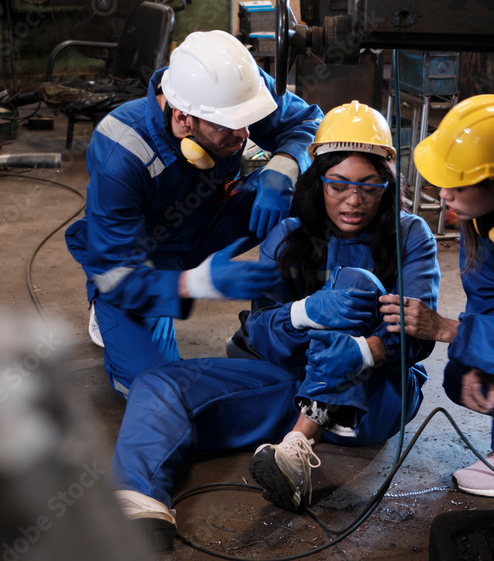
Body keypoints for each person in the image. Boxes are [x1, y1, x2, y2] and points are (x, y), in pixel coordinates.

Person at [108, 101, 441, 551]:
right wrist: (304, 313)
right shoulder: (288, 234)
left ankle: (301, 444)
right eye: (338, 184)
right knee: (159, 384)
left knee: (358, 285)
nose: (354, 199)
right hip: (289, 383)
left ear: (388, 184)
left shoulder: (410, 235)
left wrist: (367, 350)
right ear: (318, 180)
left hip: (374, 398)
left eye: (370, 186)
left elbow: (417, 336)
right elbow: (262, 330)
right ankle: (139, 496)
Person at [64, 30, 322, 397]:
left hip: (209, 218)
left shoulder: (235, 91)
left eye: (247, 121)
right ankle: (113, 314)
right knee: (153, 388)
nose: (245, 134)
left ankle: (281, 325)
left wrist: (283, 166)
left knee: (319, 186)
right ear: (184, 117)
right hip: (140, 258)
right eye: (228, 128)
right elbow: (116, 273)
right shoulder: (119, 151)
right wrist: (197, 283)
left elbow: (310, 122)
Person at [380, 94, 494, 497]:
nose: (442, 192)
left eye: (458, 183)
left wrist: (450, 330)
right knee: (459, 373)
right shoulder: (485, 226)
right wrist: (477, 359)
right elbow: (484, 302)